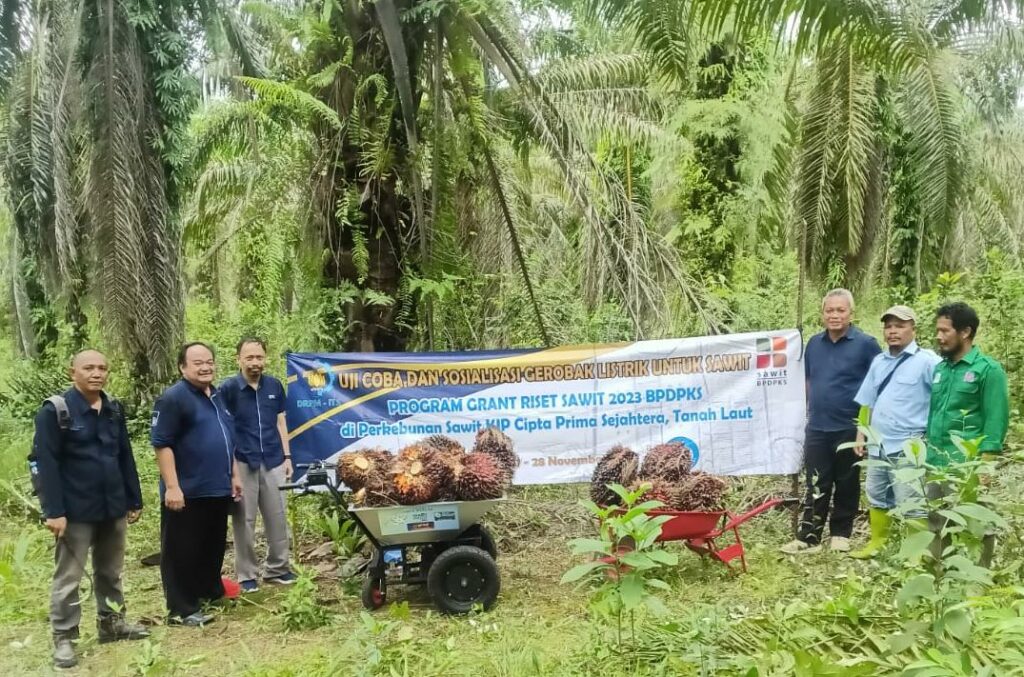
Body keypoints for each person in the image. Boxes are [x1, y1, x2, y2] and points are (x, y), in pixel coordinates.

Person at [30, 350, 149, 668]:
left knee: (110, 571)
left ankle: (112, 623)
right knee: (69, 577)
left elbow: (124, 454)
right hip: (75, 510)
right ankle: (64, 637)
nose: (97, 373)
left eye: (102, 368)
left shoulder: (113, 408)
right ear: (73, 373)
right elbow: (46, 464)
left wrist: (134, 499)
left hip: (112, 505)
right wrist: (53, 511)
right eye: (89, 368)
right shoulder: (55, 411)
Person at [781, 289, 881, 554]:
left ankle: (840, 534)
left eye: (840, 310)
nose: (834, 315)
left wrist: (864, 430)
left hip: (849, 426)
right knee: (816, 481)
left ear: (851, 313)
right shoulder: (814, 344)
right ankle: (809, 536)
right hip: (817, 426)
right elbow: (807, 381)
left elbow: (874, 389)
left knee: (847, 481)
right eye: (830, 310)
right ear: (822, 313)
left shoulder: (866, 344)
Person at [151, 342, 242, 626]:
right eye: (198, 363)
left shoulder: (215, 395)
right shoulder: (174, 399)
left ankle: (209, 591)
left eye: (209, 361)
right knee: (182, 549)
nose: (205, 367)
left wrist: (235, 476)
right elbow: (162, 444)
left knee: (212, 544)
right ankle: (181, 608)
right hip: (187, 489)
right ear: (182, 367)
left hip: (217, 486)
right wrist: (173, 486)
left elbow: (228, 439)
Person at [849, 306, 941, 559]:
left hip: (909, 444)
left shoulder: (928, 361)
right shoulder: (879, 362)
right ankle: (877, 543)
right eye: (889, 326)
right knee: (876, 495)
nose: (892, 331)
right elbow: (868, 401)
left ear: (913, 328)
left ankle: (915, 554)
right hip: (878, 444)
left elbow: (942, 400)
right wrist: (861, 434)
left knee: (911, 502)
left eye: (899, 326)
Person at [925, 302, 1009, 565]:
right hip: (936, 460)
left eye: (944, 331)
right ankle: (940, 575)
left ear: (965, 332)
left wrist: (985, 464)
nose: (938, 337)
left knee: (977, 522)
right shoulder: (940, 369)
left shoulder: (988, 370)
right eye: (937, 330)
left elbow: (996, 420)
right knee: (937, 521)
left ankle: (978, 578)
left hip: (968, 463)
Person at [220, 337, 296, 592]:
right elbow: (224, 429)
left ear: (266, 358)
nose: (255, 362)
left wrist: (287, 457)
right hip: (243, 461)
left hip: (274, 459)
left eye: (259, 357)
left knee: (278, 517)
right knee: (245, 520)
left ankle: (278, 569)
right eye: (249, 357)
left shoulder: (274, 386)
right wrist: (231, 469)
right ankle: (247, 574)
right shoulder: (228, 389)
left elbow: (281, 422)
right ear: (238, 359)